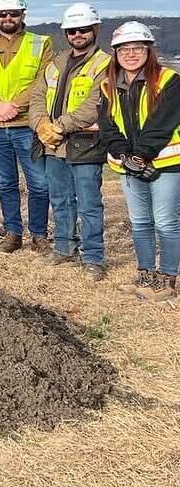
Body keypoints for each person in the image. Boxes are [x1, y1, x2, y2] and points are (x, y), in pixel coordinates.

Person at [99, 21, 180, 303]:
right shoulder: (109, 86)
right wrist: (124, 154)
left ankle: (167, 279)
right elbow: (108, 126)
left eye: (137, 48)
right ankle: (145, 274)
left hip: (166, 163)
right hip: (130, 165)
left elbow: (163, 124)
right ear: (116, 52)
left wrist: (141, 155)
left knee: (166, 221)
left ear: (148, 50)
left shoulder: (169, 80)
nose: (130, 54)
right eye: (124, 49)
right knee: (140, 222)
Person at [28, 3, 110, 280]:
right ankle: (64, 248)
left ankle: (94, 257)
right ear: (66, 32)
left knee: (89, 203)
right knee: (60, 199)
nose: (78, 34)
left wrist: (59, 126)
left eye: (84, 29)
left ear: (94, 30)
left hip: (85, 142)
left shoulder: (105, 64)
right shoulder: (56, 62)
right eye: (72, 30)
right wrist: (40, 125)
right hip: (52, 144)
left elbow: (95, 104)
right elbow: (37, 96)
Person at [0, 0, 54, 253]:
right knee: (6, 183)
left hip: (27, 124)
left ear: (22, 15)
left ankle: (39, 234)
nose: (7, 18)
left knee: (39, 182)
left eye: (13, 13)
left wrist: (14, 106)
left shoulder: (41, 43)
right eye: (3, 14)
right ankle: (12, 233)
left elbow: (44, 80)